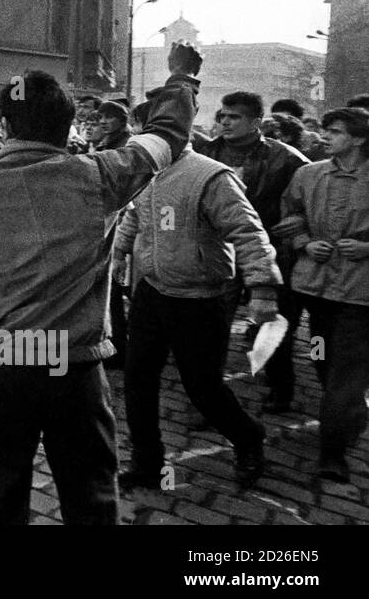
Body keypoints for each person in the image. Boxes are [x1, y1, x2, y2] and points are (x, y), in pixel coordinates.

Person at [0, 43, 203, 525]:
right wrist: (182, 79)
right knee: (91, 499)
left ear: (4, 126)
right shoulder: (103, 175)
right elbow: (166, 137)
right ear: (70, 128)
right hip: (77, 367)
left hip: (4, 361)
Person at [112, 119, 280, 489]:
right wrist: (119, 253)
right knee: (138, 380)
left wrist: (263, 287)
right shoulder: (146, 171)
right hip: (152, 292)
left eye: (149, 132)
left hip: (200, 300)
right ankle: (147, 463)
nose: (139, 139)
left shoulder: (211, 176)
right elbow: (134, 215)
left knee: (202, 388)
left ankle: (248, 437)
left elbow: (248, 231)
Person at [272, 107, 369, 482]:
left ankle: (332, 451)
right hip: (316, 288)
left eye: (336, 131)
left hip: (360, 294)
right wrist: (304, 242)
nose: (326, 136)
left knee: (346, 367)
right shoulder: (308, 173)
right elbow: (290, 214)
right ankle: (348, 408)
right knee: (319, 353)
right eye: (326, 130)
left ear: (359, 138)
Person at [201, 91, 309, 413]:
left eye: (233, 117)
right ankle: (208, 396)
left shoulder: (287, 159)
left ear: (256, 122)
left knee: (271, 323)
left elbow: (313, 198)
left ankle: (281, 388)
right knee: (211, 326)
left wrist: (300, 222)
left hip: (270, 252)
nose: (225, 122)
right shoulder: (206, 152)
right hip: (220, 251)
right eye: (222, 115)